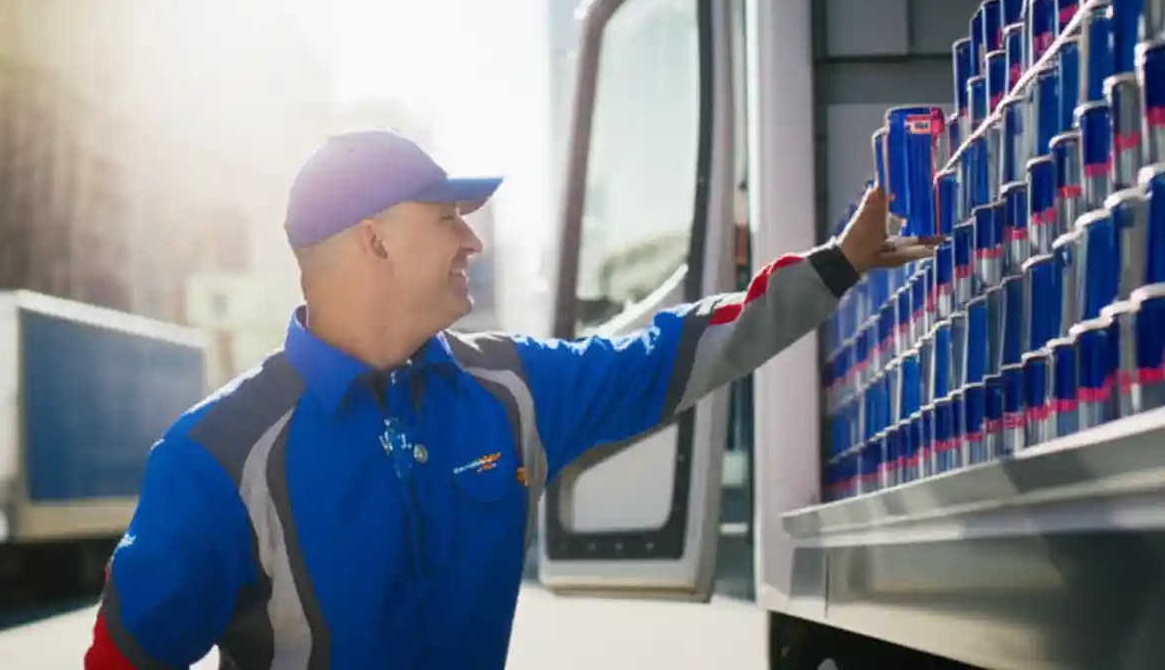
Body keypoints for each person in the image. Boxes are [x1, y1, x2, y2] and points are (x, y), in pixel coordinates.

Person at [83, 130, 934, 670]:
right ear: (374, 239)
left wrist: (838, 266)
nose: (472, 239)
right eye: (448, 216)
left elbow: (666, 355)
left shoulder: (509, 389)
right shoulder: (216, 459)